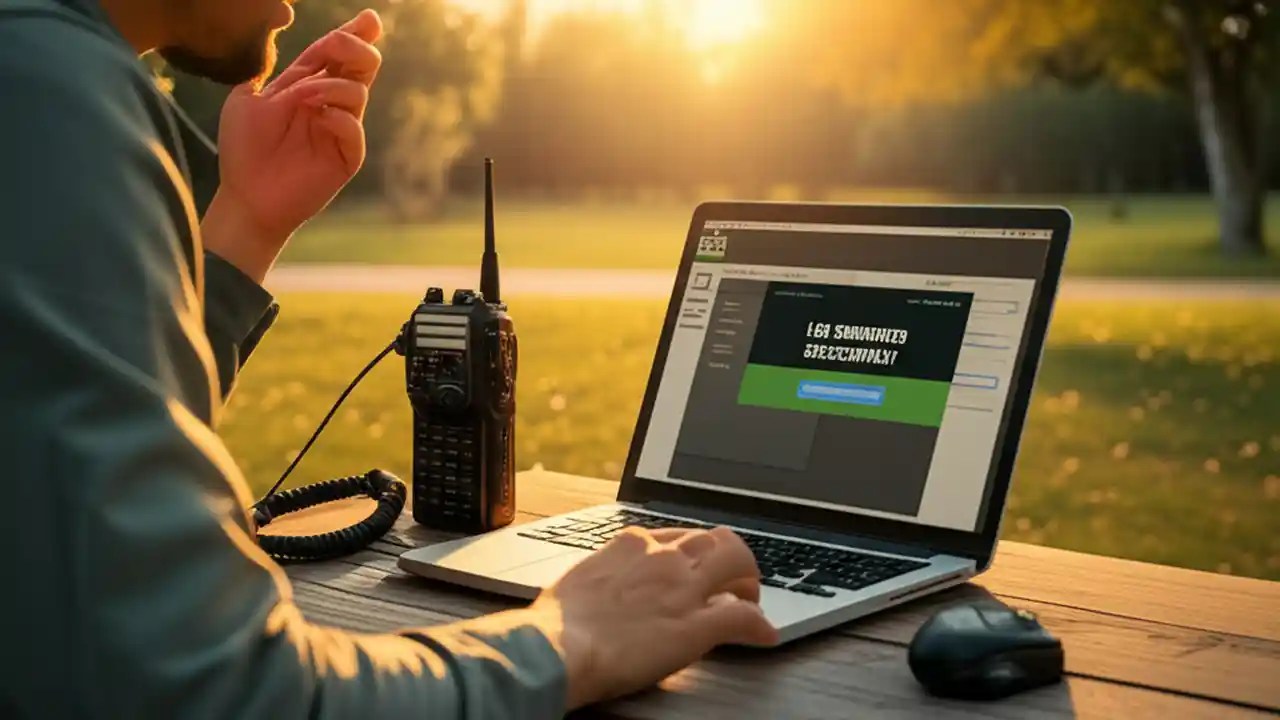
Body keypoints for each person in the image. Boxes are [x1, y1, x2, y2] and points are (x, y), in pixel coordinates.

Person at [0, 0, 779, 717]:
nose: (288, 6)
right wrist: (570, 637)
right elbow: (220, 692)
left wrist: (246, 222)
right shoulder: (46, 84)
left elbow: (49, 500)